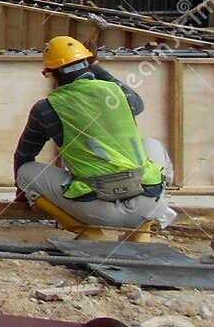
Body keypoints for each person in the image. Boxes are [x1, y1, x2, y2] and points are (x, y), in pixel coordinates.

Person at [14, 36, 177, 231]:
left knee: (25, 173)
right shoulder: (119, 94)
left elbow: (24, 155)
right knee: (152, 144)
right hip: (146, 204)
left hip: (96, 211)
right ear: (89, 65)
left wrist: (22, 193)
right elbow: (138, 104)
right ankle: (143, 228)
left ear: (52, 75)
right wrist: (95, 66)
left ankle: (88, 232)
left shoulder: (46, 109)